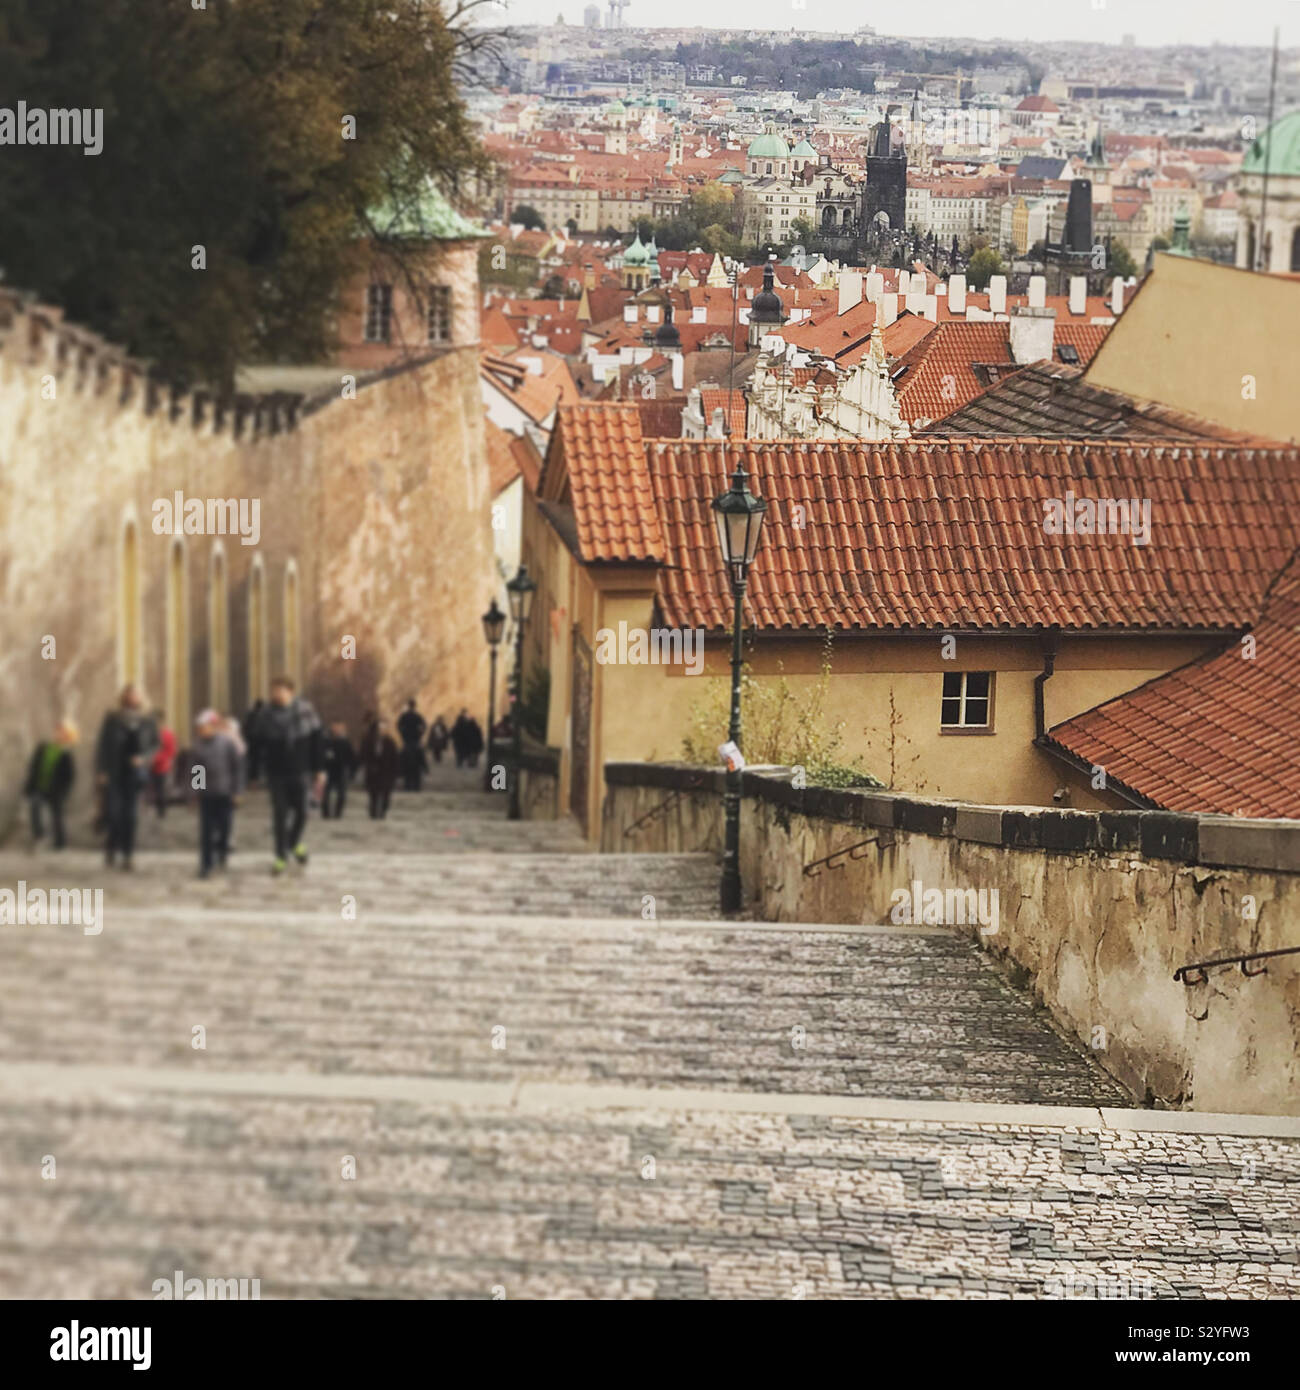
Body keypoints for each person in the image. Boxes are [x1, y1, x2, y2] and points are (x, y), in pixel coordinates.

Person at [245, 676, 324, 875]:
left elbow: (317, 742)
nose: (275, 695)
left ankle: (293, 842)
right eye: (273, 691)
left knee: (302, 811)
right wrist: (253, 774)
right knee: (279, 814)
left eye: (279, 690)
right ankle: (280, 855)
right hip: (276, 772)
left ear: (290, 691)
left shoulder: (306, 712)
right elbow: (255, 747)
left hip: (300, 770)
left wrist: (319, 769)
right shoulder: (264, 715)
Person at [94, 685, 159, 870]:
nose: (132, 697)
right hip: (114, 772)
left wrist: (144, 758)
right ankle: (111, 847)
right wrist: (101, 770)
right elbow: (103, 745)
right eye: (129, 694)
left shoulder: (148, 719)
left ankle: (128, 854)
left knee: (130, 816)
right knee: (114, 813)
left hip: (134, 774)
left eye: (135, 694)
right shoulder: (113, 717)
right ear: (123, 696)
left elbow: (155, 744)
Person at [189, 709, 244, 878]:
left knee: (224, 826)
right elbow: (197, 770)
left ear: (213, 726)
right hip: (207, 794)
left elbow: (236, 768)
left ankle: (222, 851)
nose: (201, 730)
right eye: (199, 727)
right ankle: (206, 864)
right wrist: (196, 792)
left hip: (225, 792)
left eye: (204, 726)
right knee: (206, 830)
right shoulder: (197, 746)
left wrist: (237, 790)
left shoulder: (227, 743)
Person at [24, 719, 77, 850]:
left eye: (63, 733)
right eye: (58, 731)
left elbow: (70, 776)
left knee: (57, 815)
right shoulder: (43, 747)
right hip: (39, 786)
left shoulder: (66, 753)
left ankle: (60, 843)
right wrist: (28, 787)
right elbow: (33, 768)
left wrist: (64, 791)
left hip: (56, 790)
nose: (59, 734)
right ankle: (39, 836)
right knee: (35, 808)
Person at [360, 716, 399, 820]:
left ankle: (382, 812)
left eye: (384, 729)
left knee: (386, 795)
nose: (382, 731)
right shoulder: (368, 741)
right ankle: (373, 813)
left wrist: (395, 773)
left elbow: (395, 759)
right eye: (380, 729)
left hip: (386, 773)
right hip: (373, 773)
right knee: (373, 795)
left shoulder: (390, 743)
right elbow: (364, 756)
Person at [321, 720, 356, 819]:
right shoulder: (325, 741)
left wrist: (352, 771)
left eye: (338, 728)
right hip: (327, 770)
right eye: (334, 727)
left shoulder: (345, 742)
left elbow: (351, 757)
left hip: (341, 770)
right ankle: (326, 814)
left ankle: (338, 813)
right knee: (325, 794)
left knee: (341, 794)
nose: (336, 730)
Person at [396, 698, 427, 791]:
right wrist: (420, 734)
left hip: (407, 741)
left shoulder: (404, 716)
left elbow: (398, 725)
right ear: (414, 706)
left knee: (403, 760)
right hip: (415, 741)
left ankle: (406, 784)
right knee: (420, 759)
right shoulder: (417, 716)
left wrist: (402, 734)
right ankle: (418, 781)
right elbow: (424, 726)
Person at [149, 712, 176, 817]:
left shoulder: (167, 734)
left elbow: (170, 751)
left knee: (161, 789)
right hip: (149, 765)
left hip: (162, 767)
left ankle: (161, 811)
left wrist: (157, 758)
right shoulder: (150, 734)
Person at [244, 699, 265, 782]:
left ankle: (252, 777)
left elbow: (245, 726)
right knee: (257, 761)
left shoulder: (250, 714)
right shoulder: (263, 715)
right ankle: (255, 777)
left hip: (251, 740)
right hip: (259, 741)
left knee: (252, 760)